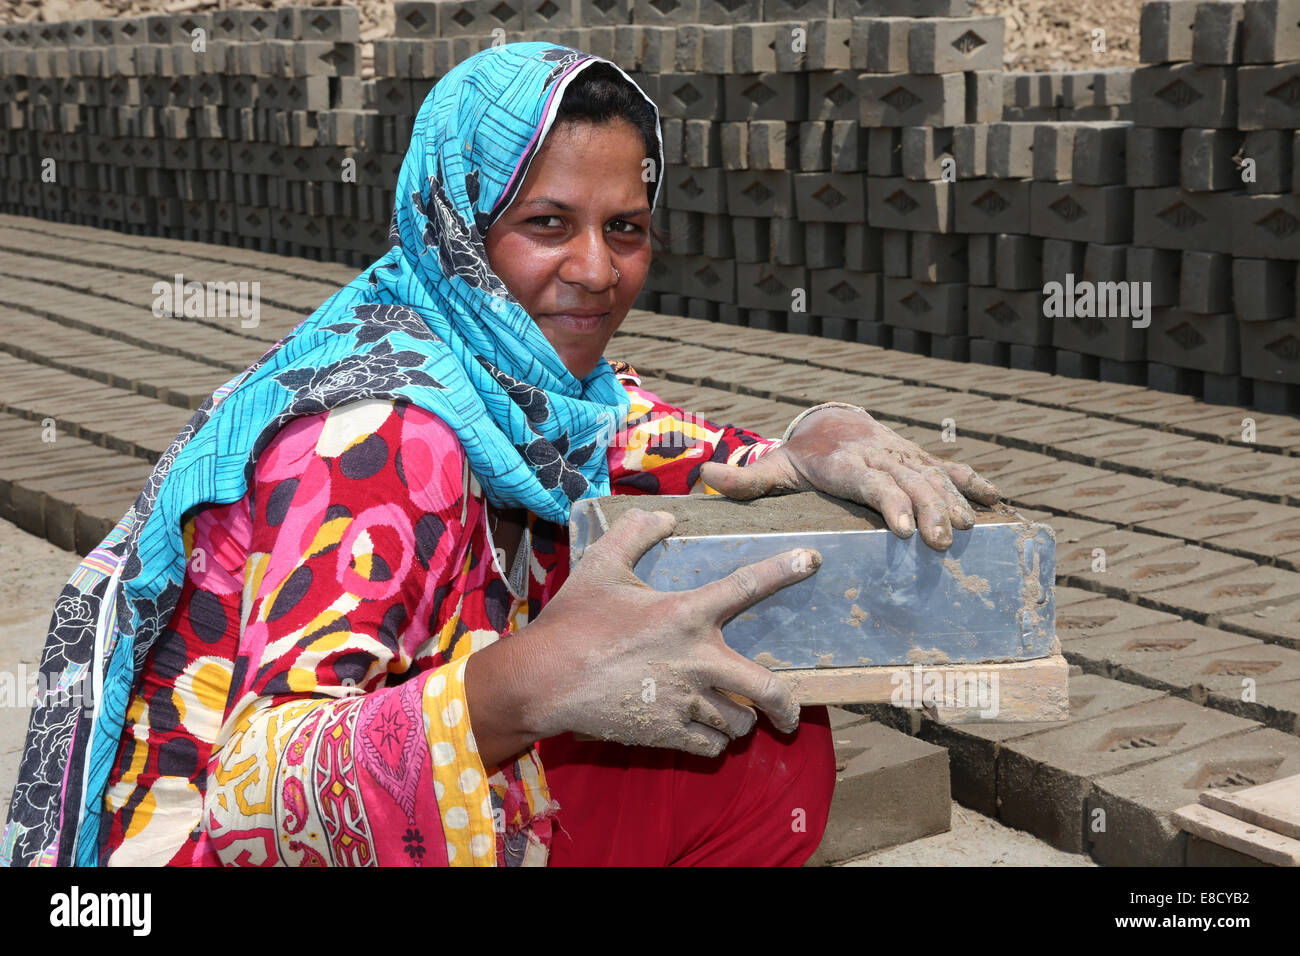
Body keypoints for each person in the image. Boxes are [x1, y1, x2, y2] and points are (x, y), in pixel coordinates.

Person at [2, 42, 998, 868]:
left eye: (627, 229)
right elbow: (252, 785)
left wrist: (812, 439)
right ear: (462, 224)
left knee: (744, 711)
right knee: (721, 731)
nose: (598, 270)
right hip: (185, 850)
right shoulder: (385, 438)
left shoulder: (493, 369)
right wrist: (522, 684)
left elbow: (635, 432)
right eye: (546, 225)